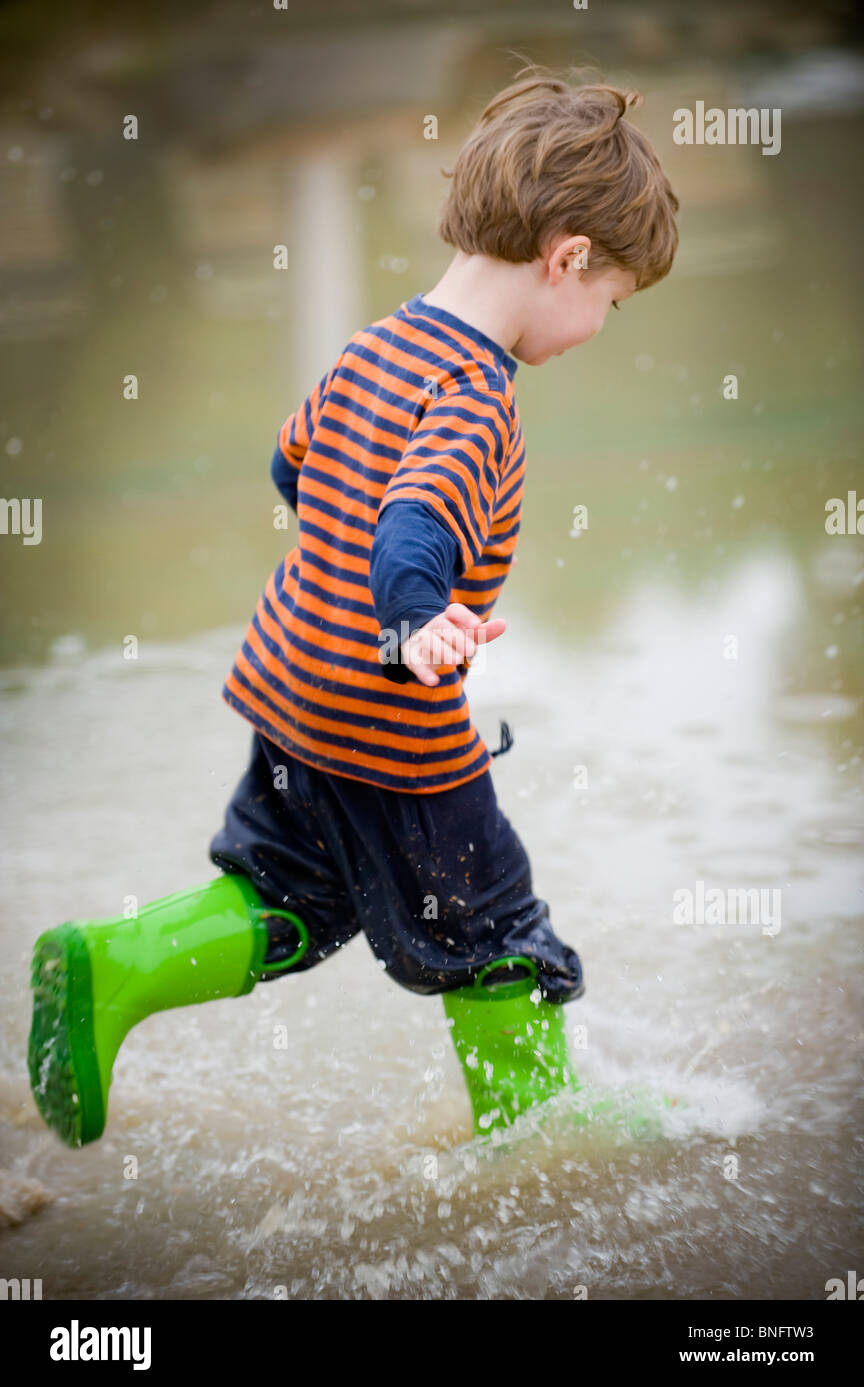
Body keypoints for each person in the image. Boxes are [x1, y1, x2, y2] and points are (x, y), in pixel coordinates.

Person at [28, 66, 679, 1148]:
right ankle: (542, 1141)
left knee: (290, 894)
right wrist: (417, 617)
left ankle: (118, 962)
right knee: (497, 926)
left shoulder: (374, 345)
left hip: (291, 689)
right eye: (607, 301)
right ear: (567, 259)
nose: (598, 325)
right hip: (392, 719)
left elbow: (293, 460)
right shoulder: (477, 400)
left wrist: (347, 544)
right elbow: (416, 521)